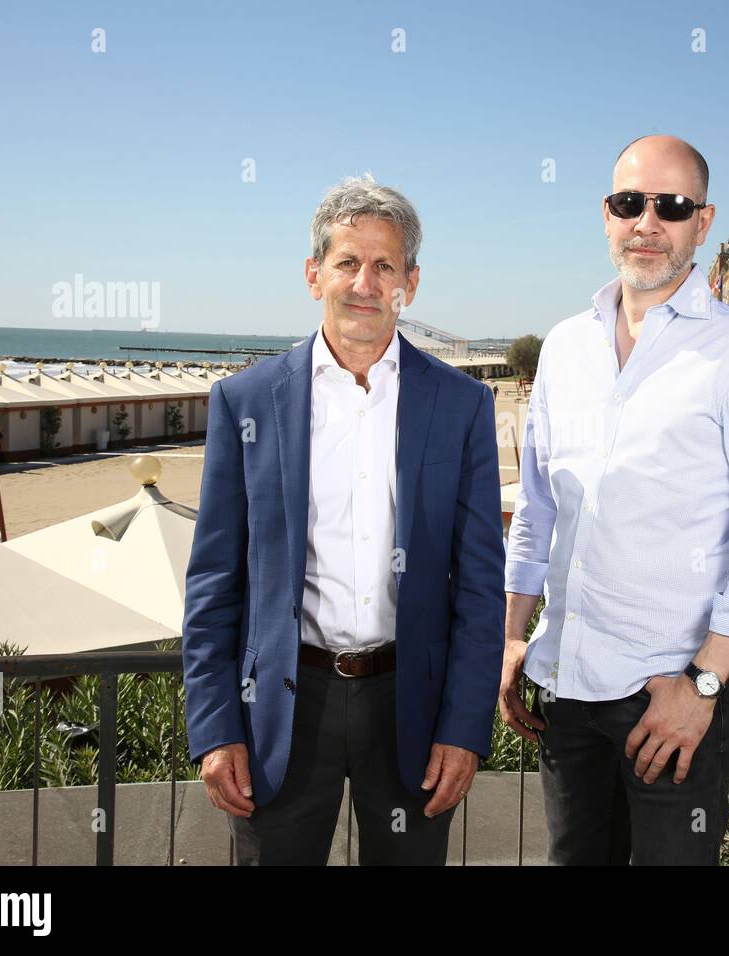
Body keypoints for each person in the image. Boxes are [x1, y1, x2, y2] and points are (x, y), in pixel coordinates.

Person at [500, 135, 729, 865]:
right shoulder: (565, 348)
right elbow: (540, 511)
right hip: (565, 693)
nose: (647, 222)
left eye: (670, 206)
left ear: (702, 224)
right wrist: (513, 635)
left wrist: (702, 685)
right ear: (605, 217)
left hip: (670, 697)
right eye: (629, 203)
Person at [182, 174, 505, 865]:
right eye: (348, 262)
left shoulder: (462, 406)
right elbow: (214, 580)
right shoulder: (245, 403)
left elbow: (481, 584)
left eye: (385, 265)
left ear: (409, 284)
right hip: (280, 713)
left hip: (413, 713)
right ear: (313, 274)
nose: (365, 282)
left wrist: (466, 728)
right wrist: (214, 728)